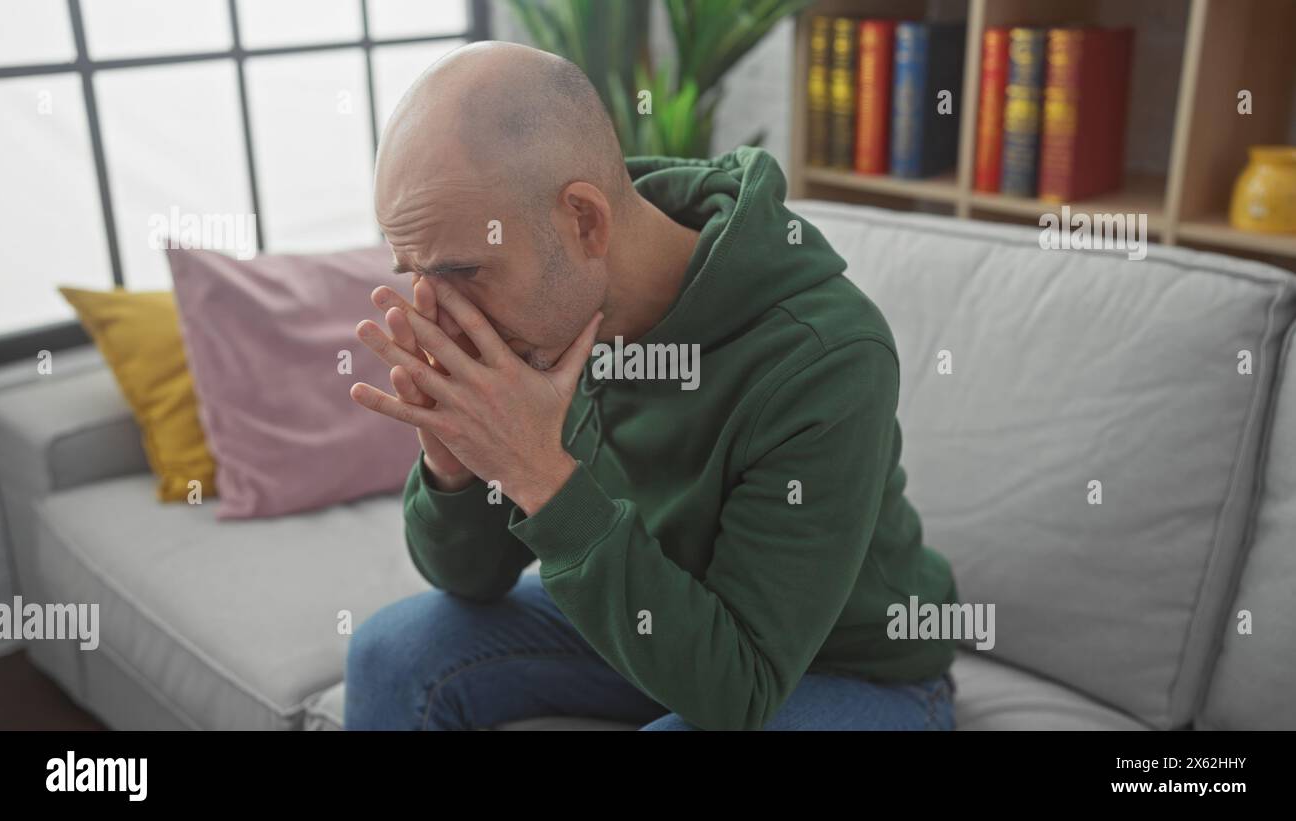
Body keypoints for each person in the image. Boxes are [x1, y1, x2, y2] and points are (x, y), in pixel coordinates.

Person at [343, 40, 959, 730]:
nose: (438, 312)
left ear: (585, 220)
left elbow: (741, 690)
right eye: (414, 271)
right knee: (388, 653)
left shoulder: (826, 354)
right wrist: (454, 466)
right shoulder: (540, 311)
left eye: (462, 271)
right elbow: (469, 580)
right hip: (642, 618)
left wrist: (541, 475)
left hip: (834, 667)